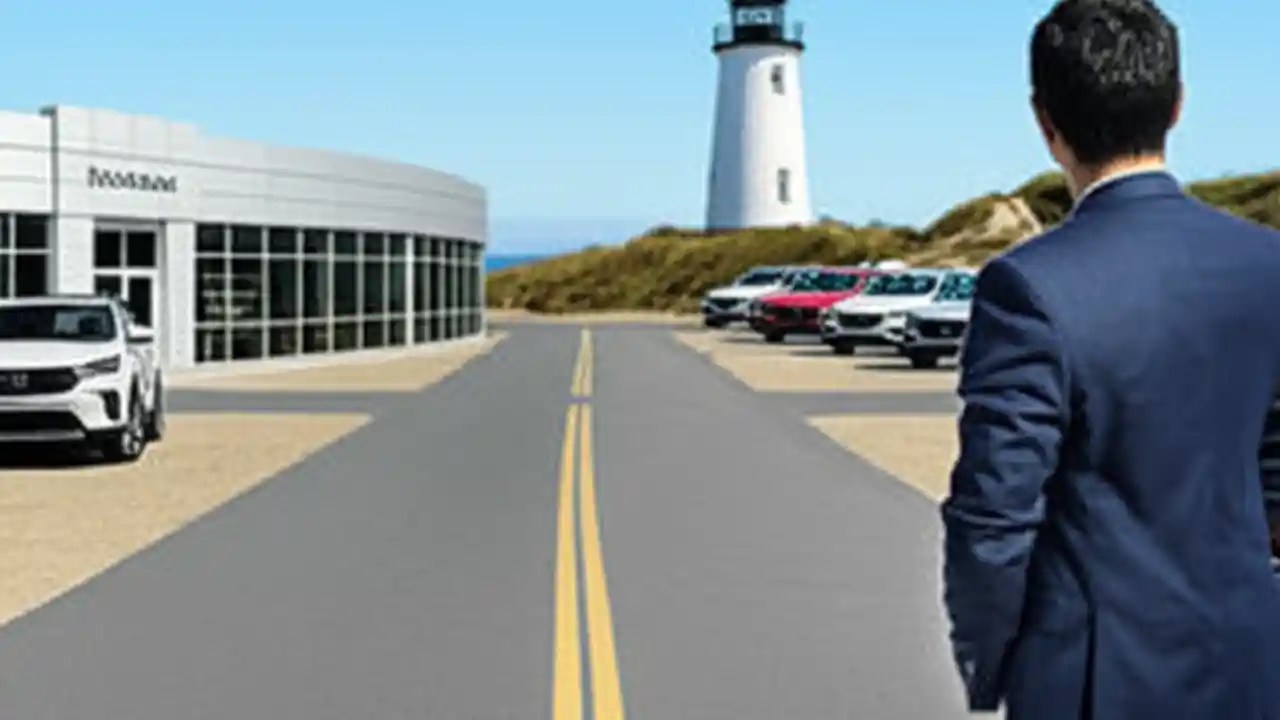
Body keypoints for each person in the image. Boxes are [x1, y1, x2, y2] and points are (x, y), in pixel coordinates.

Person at [940, 0, 1280, 717]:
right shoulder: (1266, 262)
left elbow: (994, 513)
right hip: (1247, 660)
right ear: (1178, 105)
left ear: (1045, 124)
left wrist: (990, 660)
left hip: (1094, 680)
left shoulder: (1027, 287)